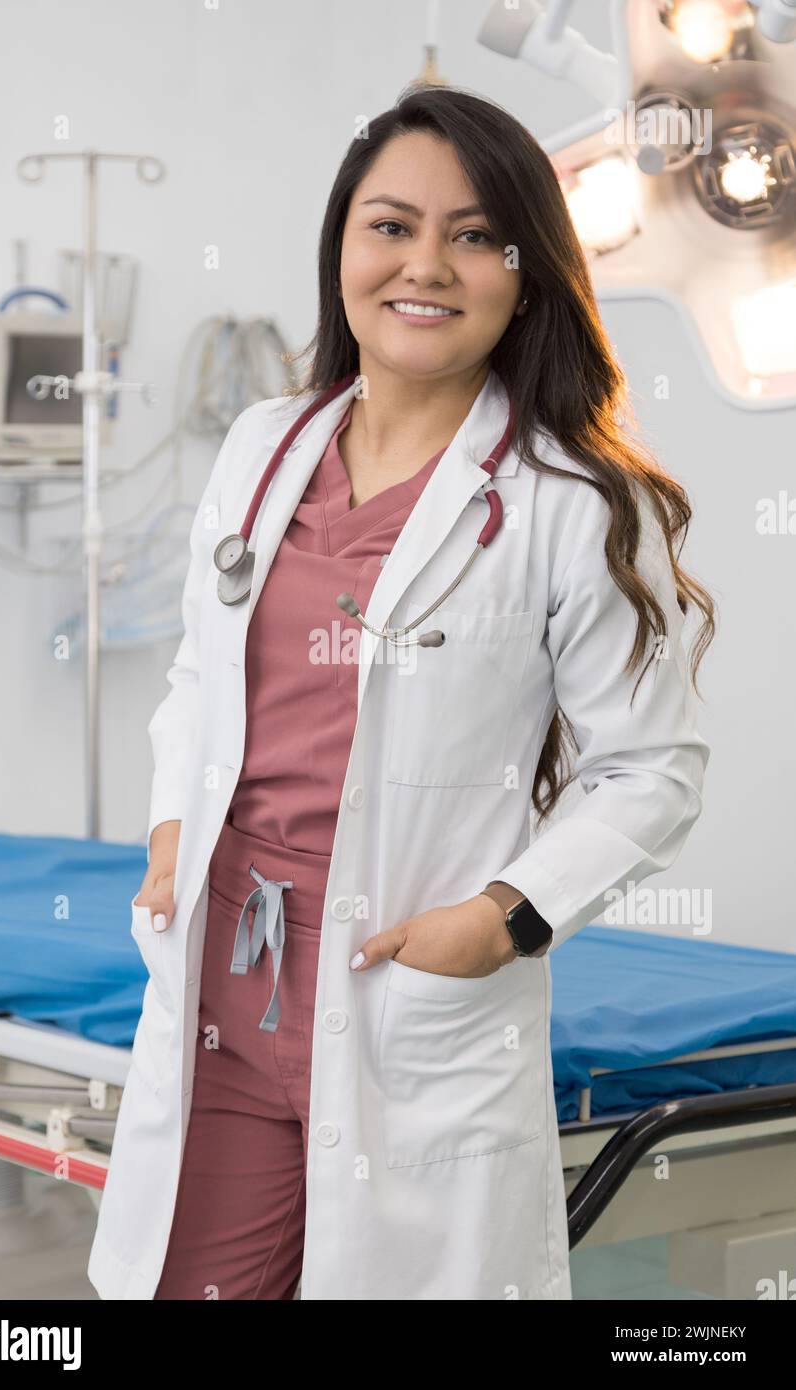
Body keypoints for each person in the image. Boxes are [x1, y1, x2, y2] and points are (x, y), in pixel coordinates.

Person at [87, 83, 714, 1302]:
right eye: (390, 226)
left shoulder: (572, 501)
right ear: (340, 250)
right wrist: (172, 824)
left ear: (526, 274)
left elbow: (651, 769)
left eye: (474, 235)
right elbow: (193, 679)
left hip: (398, 976)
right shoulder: (263, 444)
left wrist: (505, 918)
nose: (425, 264)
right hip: (227, 959)